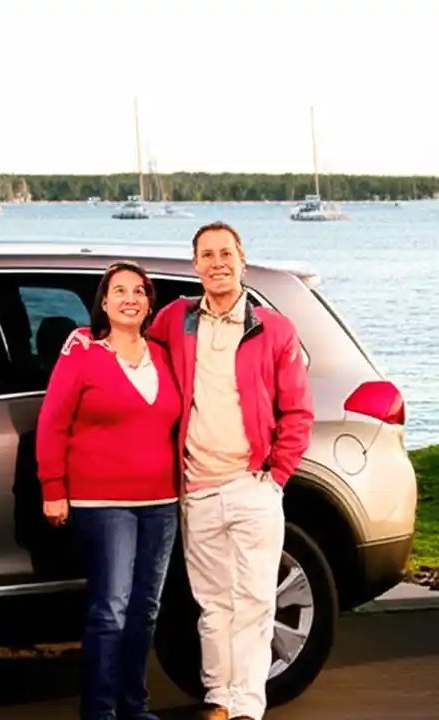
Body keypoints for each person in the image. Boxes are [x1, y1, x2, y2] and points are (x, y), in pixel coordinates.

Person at [145, 222, 314, 720]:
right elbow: (133, 350)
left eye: (225, 253)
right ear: (195, 265)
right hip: (197, 488)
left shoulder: (273, 329)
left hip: (252, 484)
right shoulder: (177, 320)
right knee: (212, 603)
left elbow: (298, 411)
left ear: (242, 259)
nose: (217, 263)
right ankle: (218, 698)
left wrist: (276, 476)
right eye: (207, 255)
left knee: (254, 601)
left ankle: (247, 706)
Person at [36, 261, 182, 720]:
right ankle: (100, 712)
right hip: (103, 503)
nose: (129, 299)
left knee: (146, 609)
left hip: (161, 503)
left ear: (150, 304)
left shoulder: (165, 356)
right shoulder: (82, 351)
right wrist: (53, 487)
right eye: (119, 290)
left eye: (139, 291)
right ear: (103, 302)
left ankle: (134, 705)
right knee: (111, 608)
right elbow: (53, 423)